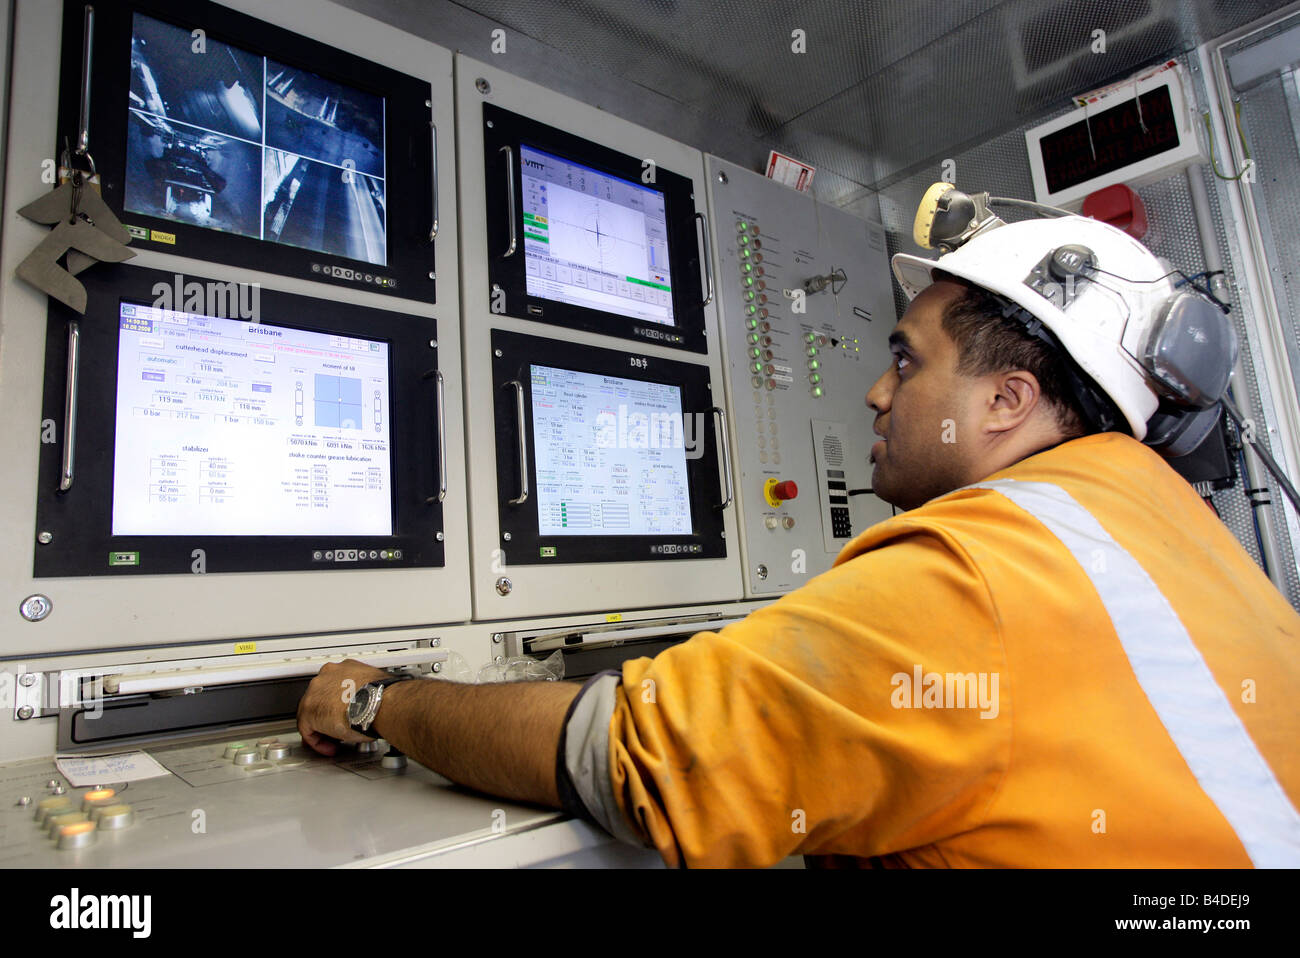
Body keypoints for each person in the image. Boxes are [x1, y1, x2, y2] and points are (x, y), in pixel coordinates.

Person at [298, 207, 1300, 868]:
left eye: (906, 362)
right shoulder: (1189, 542)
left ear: (1007, 399)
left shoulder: (979, 567)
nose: (874, 390)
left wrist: (377, 697)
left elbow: (636, 758)